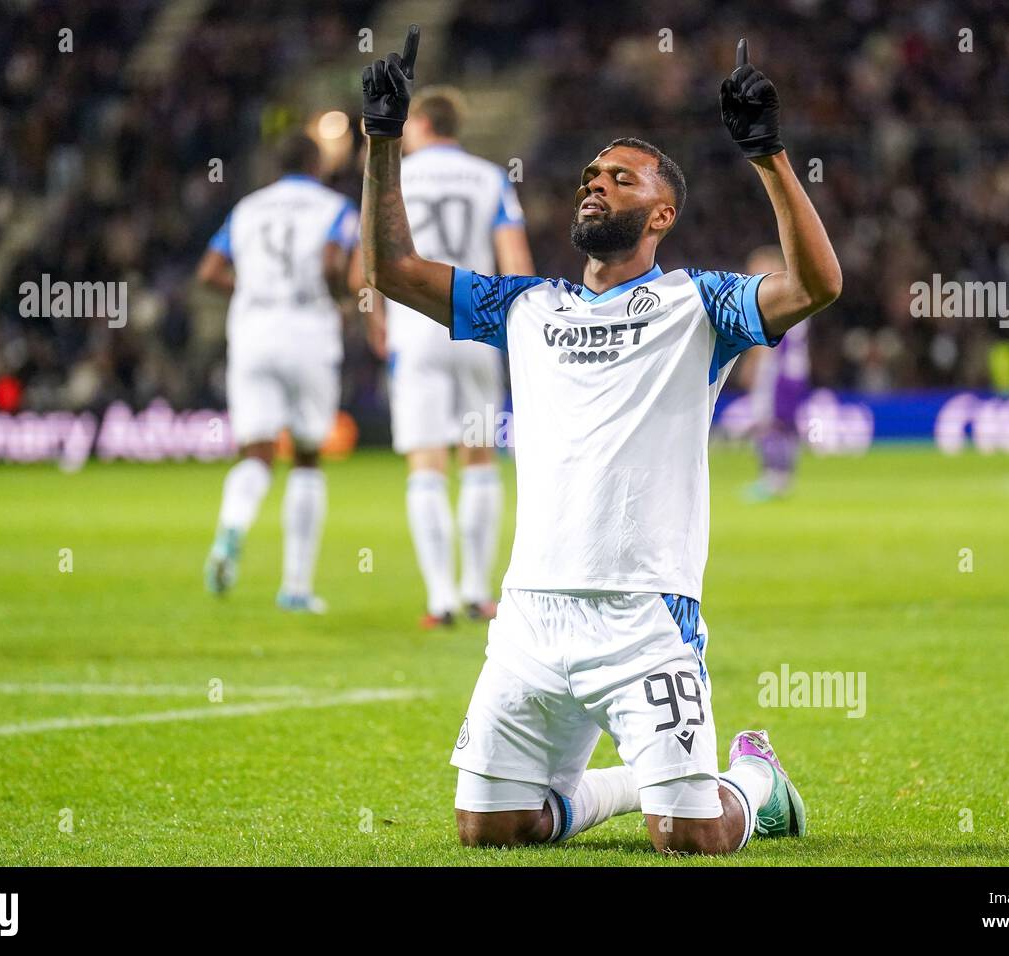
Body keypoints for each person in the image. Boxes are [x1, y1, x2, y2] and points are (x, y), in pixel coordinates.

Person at [360, 28, 841, 854]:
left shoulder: (700, 304)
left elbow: (816, 285)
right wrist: (382, 143)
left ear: (662, 214)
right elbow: (393, 268)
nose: (596, 186)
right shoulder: (527, 305)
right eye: (590, 176)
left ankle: (754, 778)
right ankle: (636, 785)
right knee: (492, 830)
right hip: (530, 615)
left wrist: (769, 157)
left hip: (644, 615)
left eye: (622, 179)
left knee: (692, 839)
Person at [356, 87, 535, 628]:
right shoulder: (489, 177)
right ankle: (479, 592)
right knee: (478, 457)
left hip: (415, 326)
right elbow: (516, 263)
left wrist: (376, 319)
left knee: (426, 463)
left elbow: (367, 259)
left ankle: (439, 599)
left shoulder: (394, 175)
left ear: (419, 126)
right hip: (475, 324)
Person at [198, 132, 357, 612]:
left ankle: (231, 528)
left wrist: (250, 288)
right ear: (316, 163)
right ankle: (295, 587)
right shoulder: (335, 207)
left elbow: (209, 272)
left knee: (256, 452)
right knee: (307, 457)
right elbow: (333, 262)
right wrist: (339, 298)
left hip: (253, 334)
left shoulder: (247, 208)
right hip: (307, 332)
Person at [738, 245, 812, 500]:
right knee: (785, 426)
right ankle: (783, 478)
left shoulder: (771, 297)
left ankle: (773, 478)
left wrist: (750, 368)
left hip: (774, 374)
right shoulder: (798, 293)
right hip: (795, 374)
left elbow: (763, 342)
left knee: (768, 424)